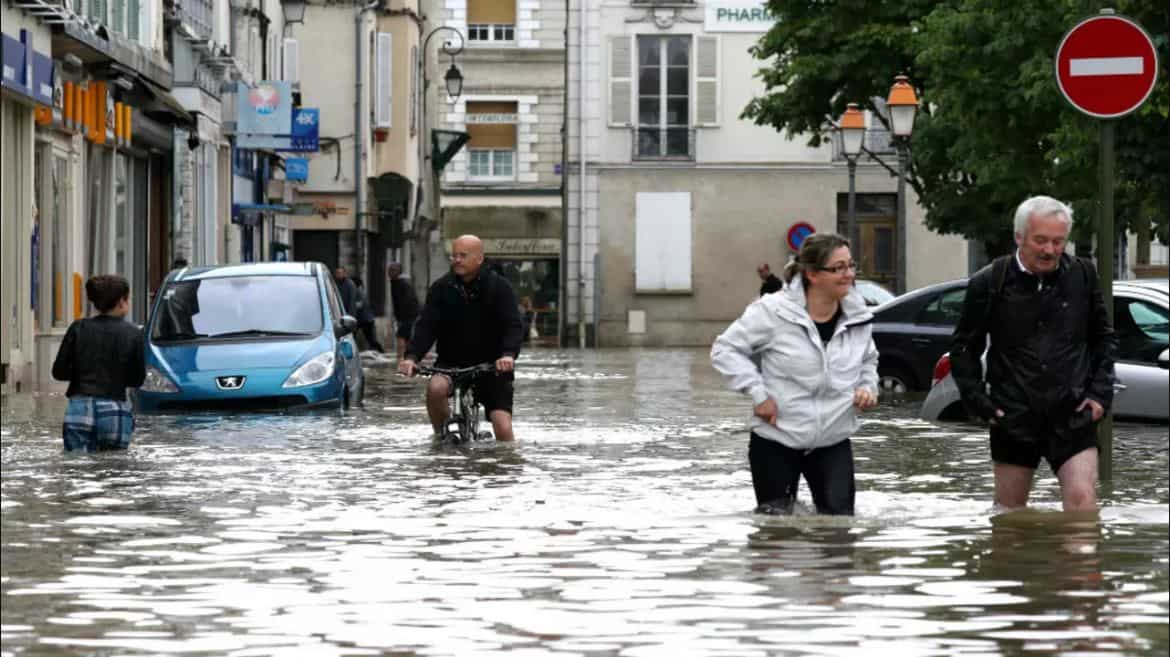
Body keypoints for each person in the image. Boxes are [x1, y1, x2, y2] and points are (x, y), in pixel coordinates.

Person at [950, 195, 1116, 513]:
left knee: (1083, 502)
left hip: (1073, 412)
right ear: (1019, 237)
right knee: (1009, 513)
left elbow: (1104, 340)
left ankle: (1082, 563)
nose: (1050, 250)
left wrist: (1099, 395)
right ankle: (1016, 564)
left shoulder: (1082, 275)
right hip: (1013, 415)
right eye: (1041, 240)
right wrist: (979, 401)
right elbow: (963, 347)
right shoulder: (989, 281)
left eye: (1058, 241)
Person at [711, 233, 879, 515]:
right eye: (838, 268)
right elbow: (724, 350)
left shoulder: (859, 317)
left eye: (851, 265)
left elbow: (869, 361)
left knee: (839, 534)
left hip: (833, 440)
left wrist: (867, 387)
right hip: (777, 440)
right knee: (775, 534)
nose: (849, 274)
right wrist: (758, 394)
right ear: (813, 274)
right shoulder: (773, 312)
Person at [397, 235, 525, 441]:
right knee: (435, 388)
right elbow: (426, 326)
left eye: (463, 256)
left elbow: (513, 325)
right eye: (454, 255)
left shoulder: (499, 287)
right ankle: (442, 437)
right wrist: (412, 357)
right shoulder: (441, 288)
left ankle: (505, 466)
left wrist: (508, 354)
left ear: (479, 259)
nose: (456, 260)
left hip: (492, 367)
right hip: (450, 364)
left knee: (502, 427)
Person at [51, 275, 146, 452]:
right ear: (121, 301)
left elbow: (58, 372)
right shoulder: (133, 333)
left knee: (76, 469)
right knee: (113, 469)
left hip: (79, 409)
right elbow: (138, 379)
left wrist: (82, 373)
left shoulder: (78, 328)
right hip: (114, 409)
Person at [387, 262, 420, 360]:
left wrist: (403, 317)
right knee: (406, 337)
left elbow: (409, 301)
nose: (390, 272)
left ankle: (401, 357)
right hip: (404, 316)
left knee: (401, 336)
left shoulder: (403, 284)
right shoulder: (395, 282)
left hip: (408, 315)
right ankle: (405, 357)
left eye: (393, 270)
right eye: (389, 270)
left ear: (399, 272)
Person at [349, 276, 384, 353]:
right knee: (353, 336)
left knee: (370, 339)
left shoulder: (358, 291)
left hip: (365, 320)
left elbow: (360, 304)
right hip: (362, 319)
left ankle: (381, 351)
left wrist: (351, 306)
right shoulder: (358, 290)